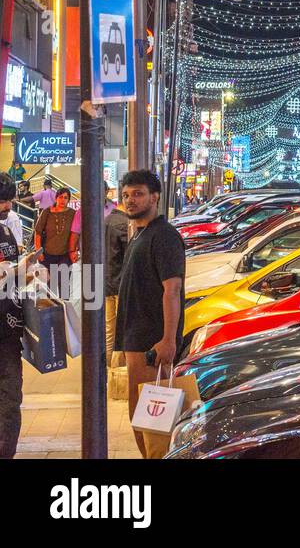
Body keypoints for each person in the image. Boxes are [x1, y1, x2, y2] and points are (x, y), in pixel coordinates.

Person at [116, 169, 185, 458]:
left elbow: (172, 291)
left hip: (151, 341)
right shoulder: (140, 234)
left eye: (138, 194)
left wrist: (168, 340)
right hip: (136, 338)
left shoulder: (164, 236)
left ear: (154, 197)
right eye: (126, 195)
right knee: (140, 410)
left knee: (151, 414)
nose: (130, 201)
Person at [0, 173, 42, 460]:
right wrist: (18, 269)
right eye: (3, 201)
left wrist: (31, 274)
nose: (7, 206)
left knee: (10, 402)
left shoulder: (5, 232)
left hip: (8, 332)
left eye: (9, 200)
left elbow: (9, 278)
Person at [33, 187, 76, 298]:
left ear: (69, 200)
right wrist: (38, 251)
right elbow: (37, 232)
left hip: (65, 254)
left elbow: (76, 233)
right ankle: (51, 311)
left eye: (66, 198)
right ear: (56, 198)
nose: (63, 200)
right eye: (60, 197)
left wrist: (75, 250)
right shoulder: (47, 212)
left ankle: (65, 310)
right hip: (48, 254)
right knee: (49, 286)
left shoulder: (73, 214)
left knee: (64, 284)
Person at [104, 195, 130, 367]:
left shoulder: (104, 221)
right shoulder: (124, 225)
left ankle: (107, 368)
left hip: (105, 283)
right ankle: (118, 369)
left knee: (109, 329)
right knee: (123, 330)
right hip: (121, 284)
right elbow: (129, 257)